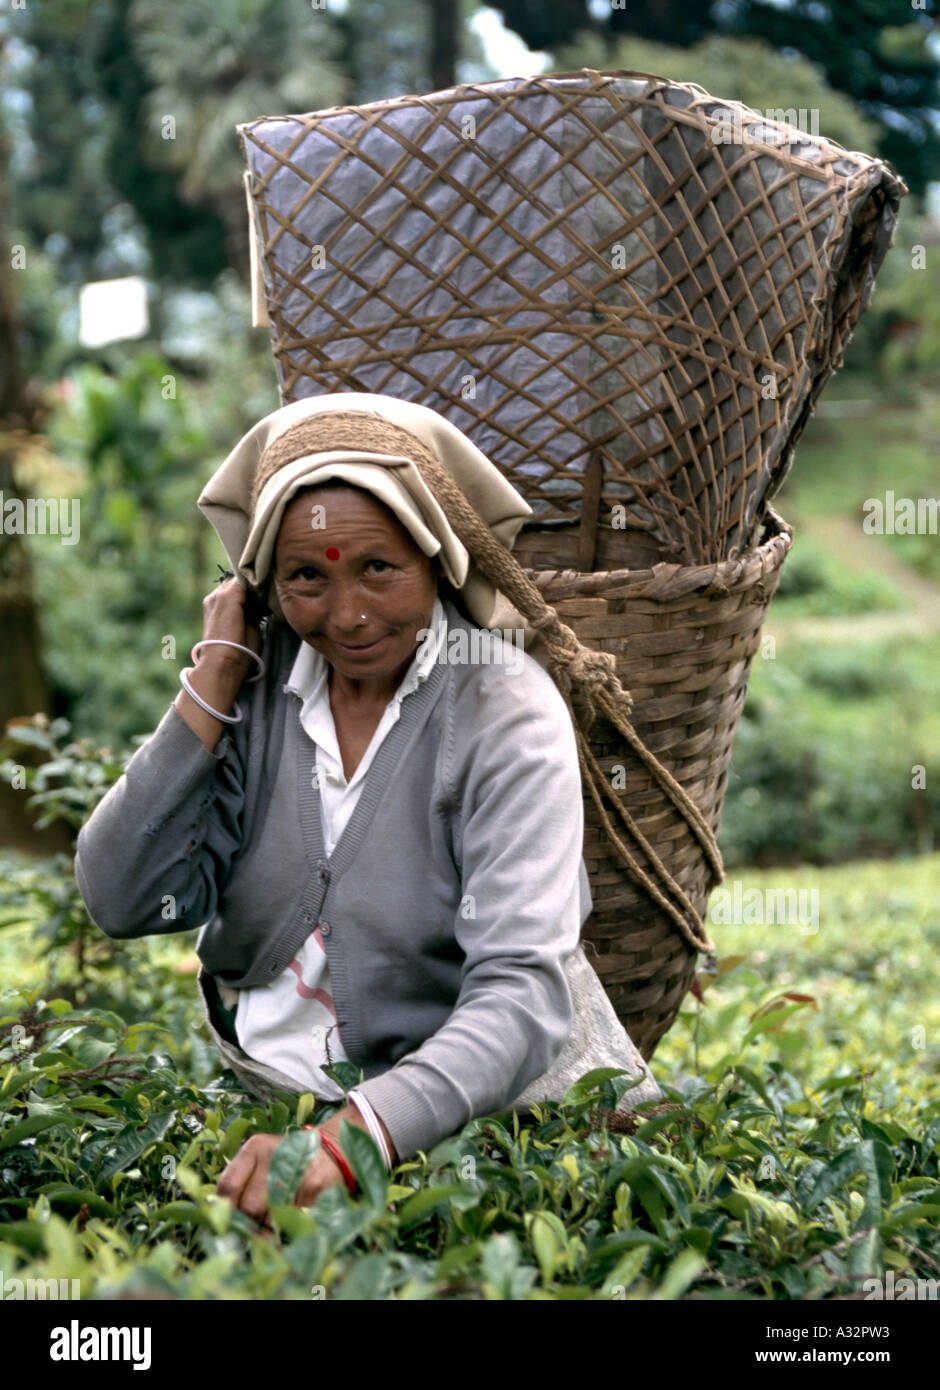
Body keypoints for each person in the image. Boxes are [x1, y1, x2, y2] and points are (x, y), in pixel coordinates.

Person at [75, 392, 658, 1229]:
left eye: (377, 568)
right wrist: (213, 678)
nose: (346, 615)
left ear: (438, 559)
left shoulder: (506, 713)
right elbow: (120, 897)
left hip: (475, 1130)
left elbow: (519, 996)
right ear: (263, 584)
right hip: (266, 1111)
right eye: (307, 575)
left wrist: (353, 1139)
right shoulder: (259, 690)